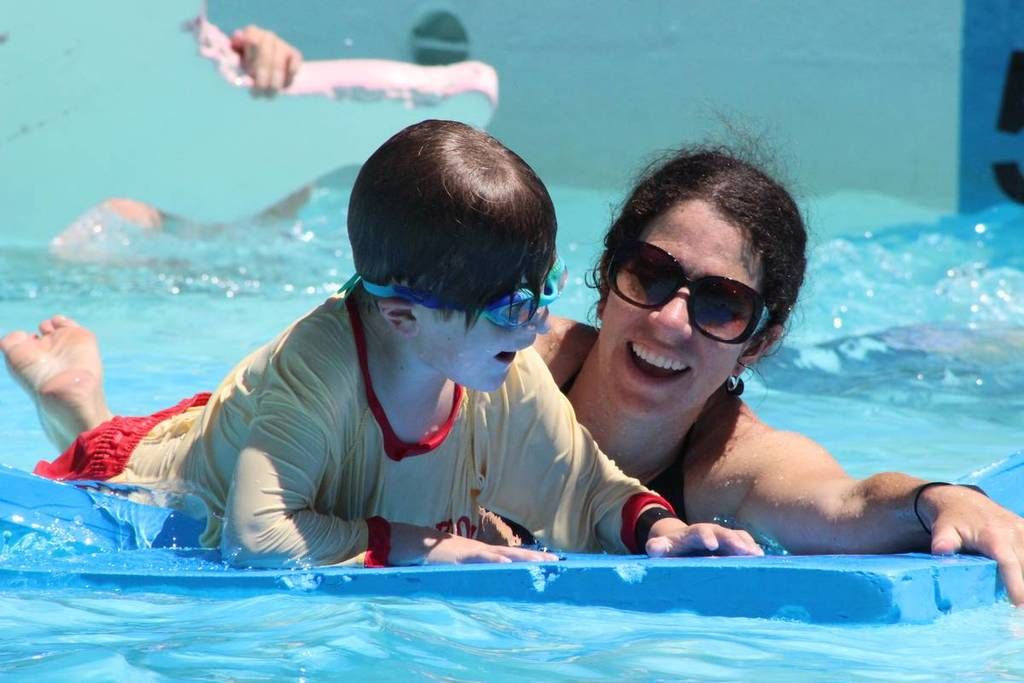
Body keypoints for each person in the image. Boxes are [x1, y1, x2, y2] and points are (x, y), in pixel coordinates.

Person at [2, 121, 761, 568]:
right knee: (115, 466)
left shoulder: (506, 367)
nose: (536, 324)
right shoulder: (320, 370)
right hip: (163, 473)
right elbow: (254, 537)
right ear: (403, 317)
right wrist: (422, 547)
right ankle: (78, 405)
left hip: (276, 438)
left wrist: (664, 527)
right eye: (507, 306)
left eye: (544, 290)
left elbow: (591, 487)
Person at [530, 147, 1024, 605]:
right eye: (650, 273)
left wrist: (940, 501)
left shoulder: (733, 467)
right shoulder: (507, 356)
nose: (669, 322)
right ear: (606, 277)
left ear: (758, 345)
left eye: (721, 304)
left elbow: (847, 505)